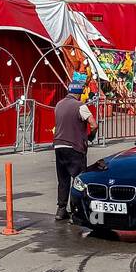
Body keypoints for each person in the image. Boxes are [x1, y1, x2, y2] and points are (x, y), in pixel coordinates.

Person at [53, 73, 95, 221]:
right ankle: (76, 212)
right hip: (75, 148)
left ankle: (61, 210)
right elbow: (93, 123)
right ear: (79, 93)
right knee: (78, 180)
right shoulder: (80, 106)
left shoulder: (58, 104)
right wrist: (91, 135)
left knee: (63, 179)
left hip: (59, 146)